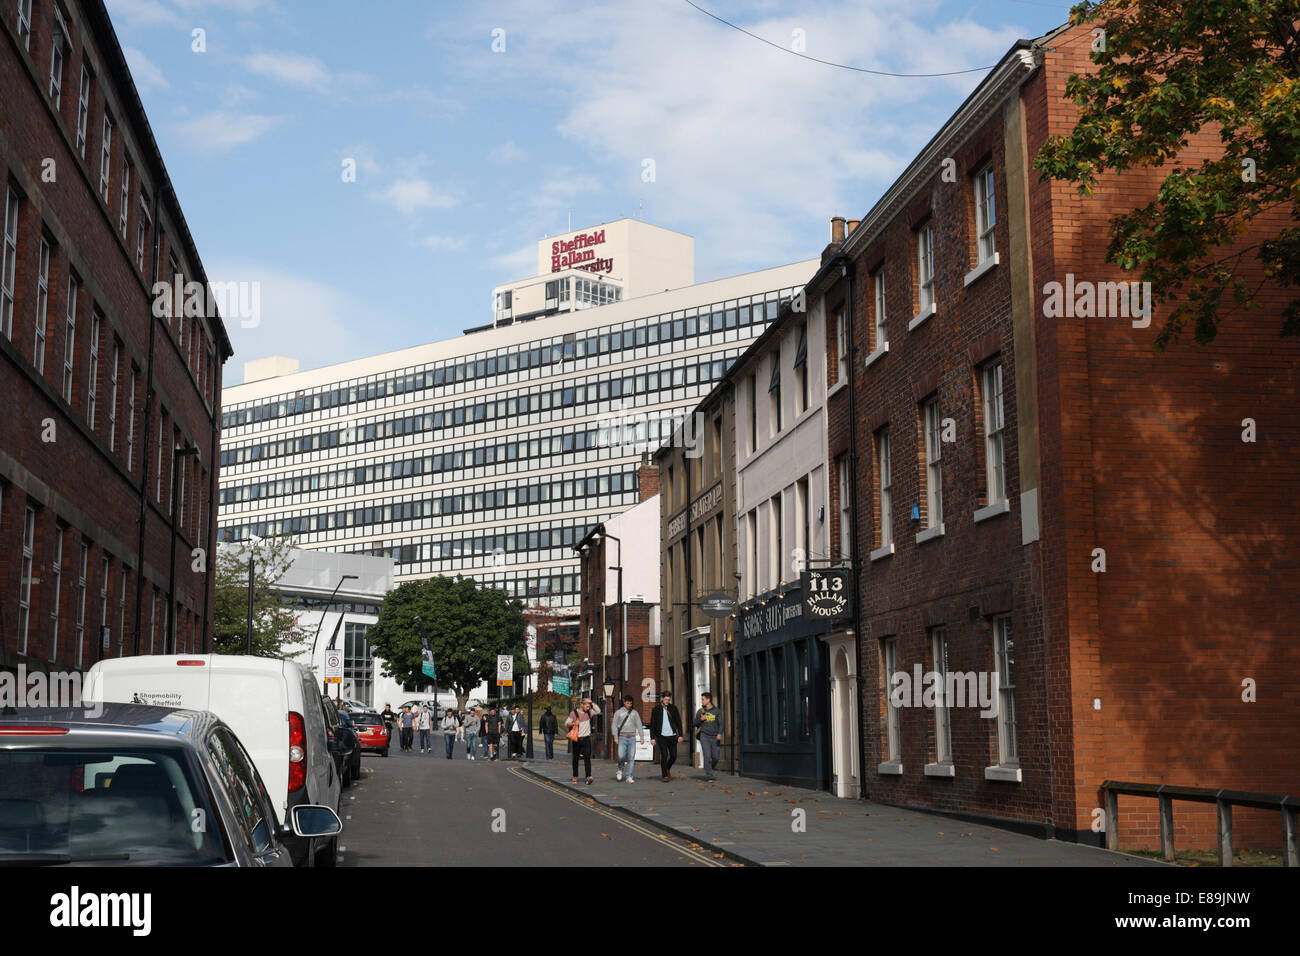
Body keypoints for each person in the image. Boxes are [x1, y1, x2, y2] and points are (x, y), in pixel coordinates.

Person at [649, 691, 684, 782]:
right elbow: (652, 725)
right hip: (661, 736)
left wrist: (680, 734)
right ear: (662, 699)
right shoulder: (656, 709)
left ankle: (667, 768)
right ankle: (664, 775)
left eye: (668, 700)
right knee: (664, 754)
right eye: (665, 699)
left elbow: (678, 722)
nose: (667, 701)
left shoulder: (673, 708)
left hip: (672, 736)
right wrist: (652, 738)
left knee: (673, 756)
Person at [565, 698, 601, 785]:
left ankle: (588, 776)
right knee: (576, 758)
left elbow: (598, 711)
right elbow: (566, 724)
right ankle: (575, 776)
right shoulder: (573, 713)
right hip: (577, 739)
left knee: (587, 758)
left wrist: (591, 702)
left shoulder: (589, 713)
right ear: (582, 705)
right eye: (587, 706)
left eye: (589, 706)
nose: (588, 708)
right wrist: (574, 723)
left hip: (586, 738)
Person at [693, 692, 724, 781]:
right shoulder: (701, 711)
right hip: (704, 736)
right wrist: (700, 719)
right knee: (707, 756)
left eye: (703, 699)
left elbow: (721, 724)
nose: (702, 701)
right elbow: (694, 723)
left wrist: (719, 733)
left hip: (715, 737)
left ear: (708, 700)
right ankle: (709, 776)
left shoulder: (717, 711)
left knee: (715, 757)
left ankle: (709, 768)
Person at [612, 695, 643, 783]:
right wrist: (615, 737)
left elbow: (639, 725)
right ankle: (620, 769)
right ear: (624, 702)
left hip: (632, 738)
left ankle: (629, 776)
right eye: (627, 703)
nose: (629, 705)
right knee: (621, 756)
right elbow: (614, 725)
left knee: (631, 758)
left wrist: (641, 737)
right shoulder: (618, 713)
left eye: (630, 703)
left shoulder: (635, 713)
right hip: (622, 737)